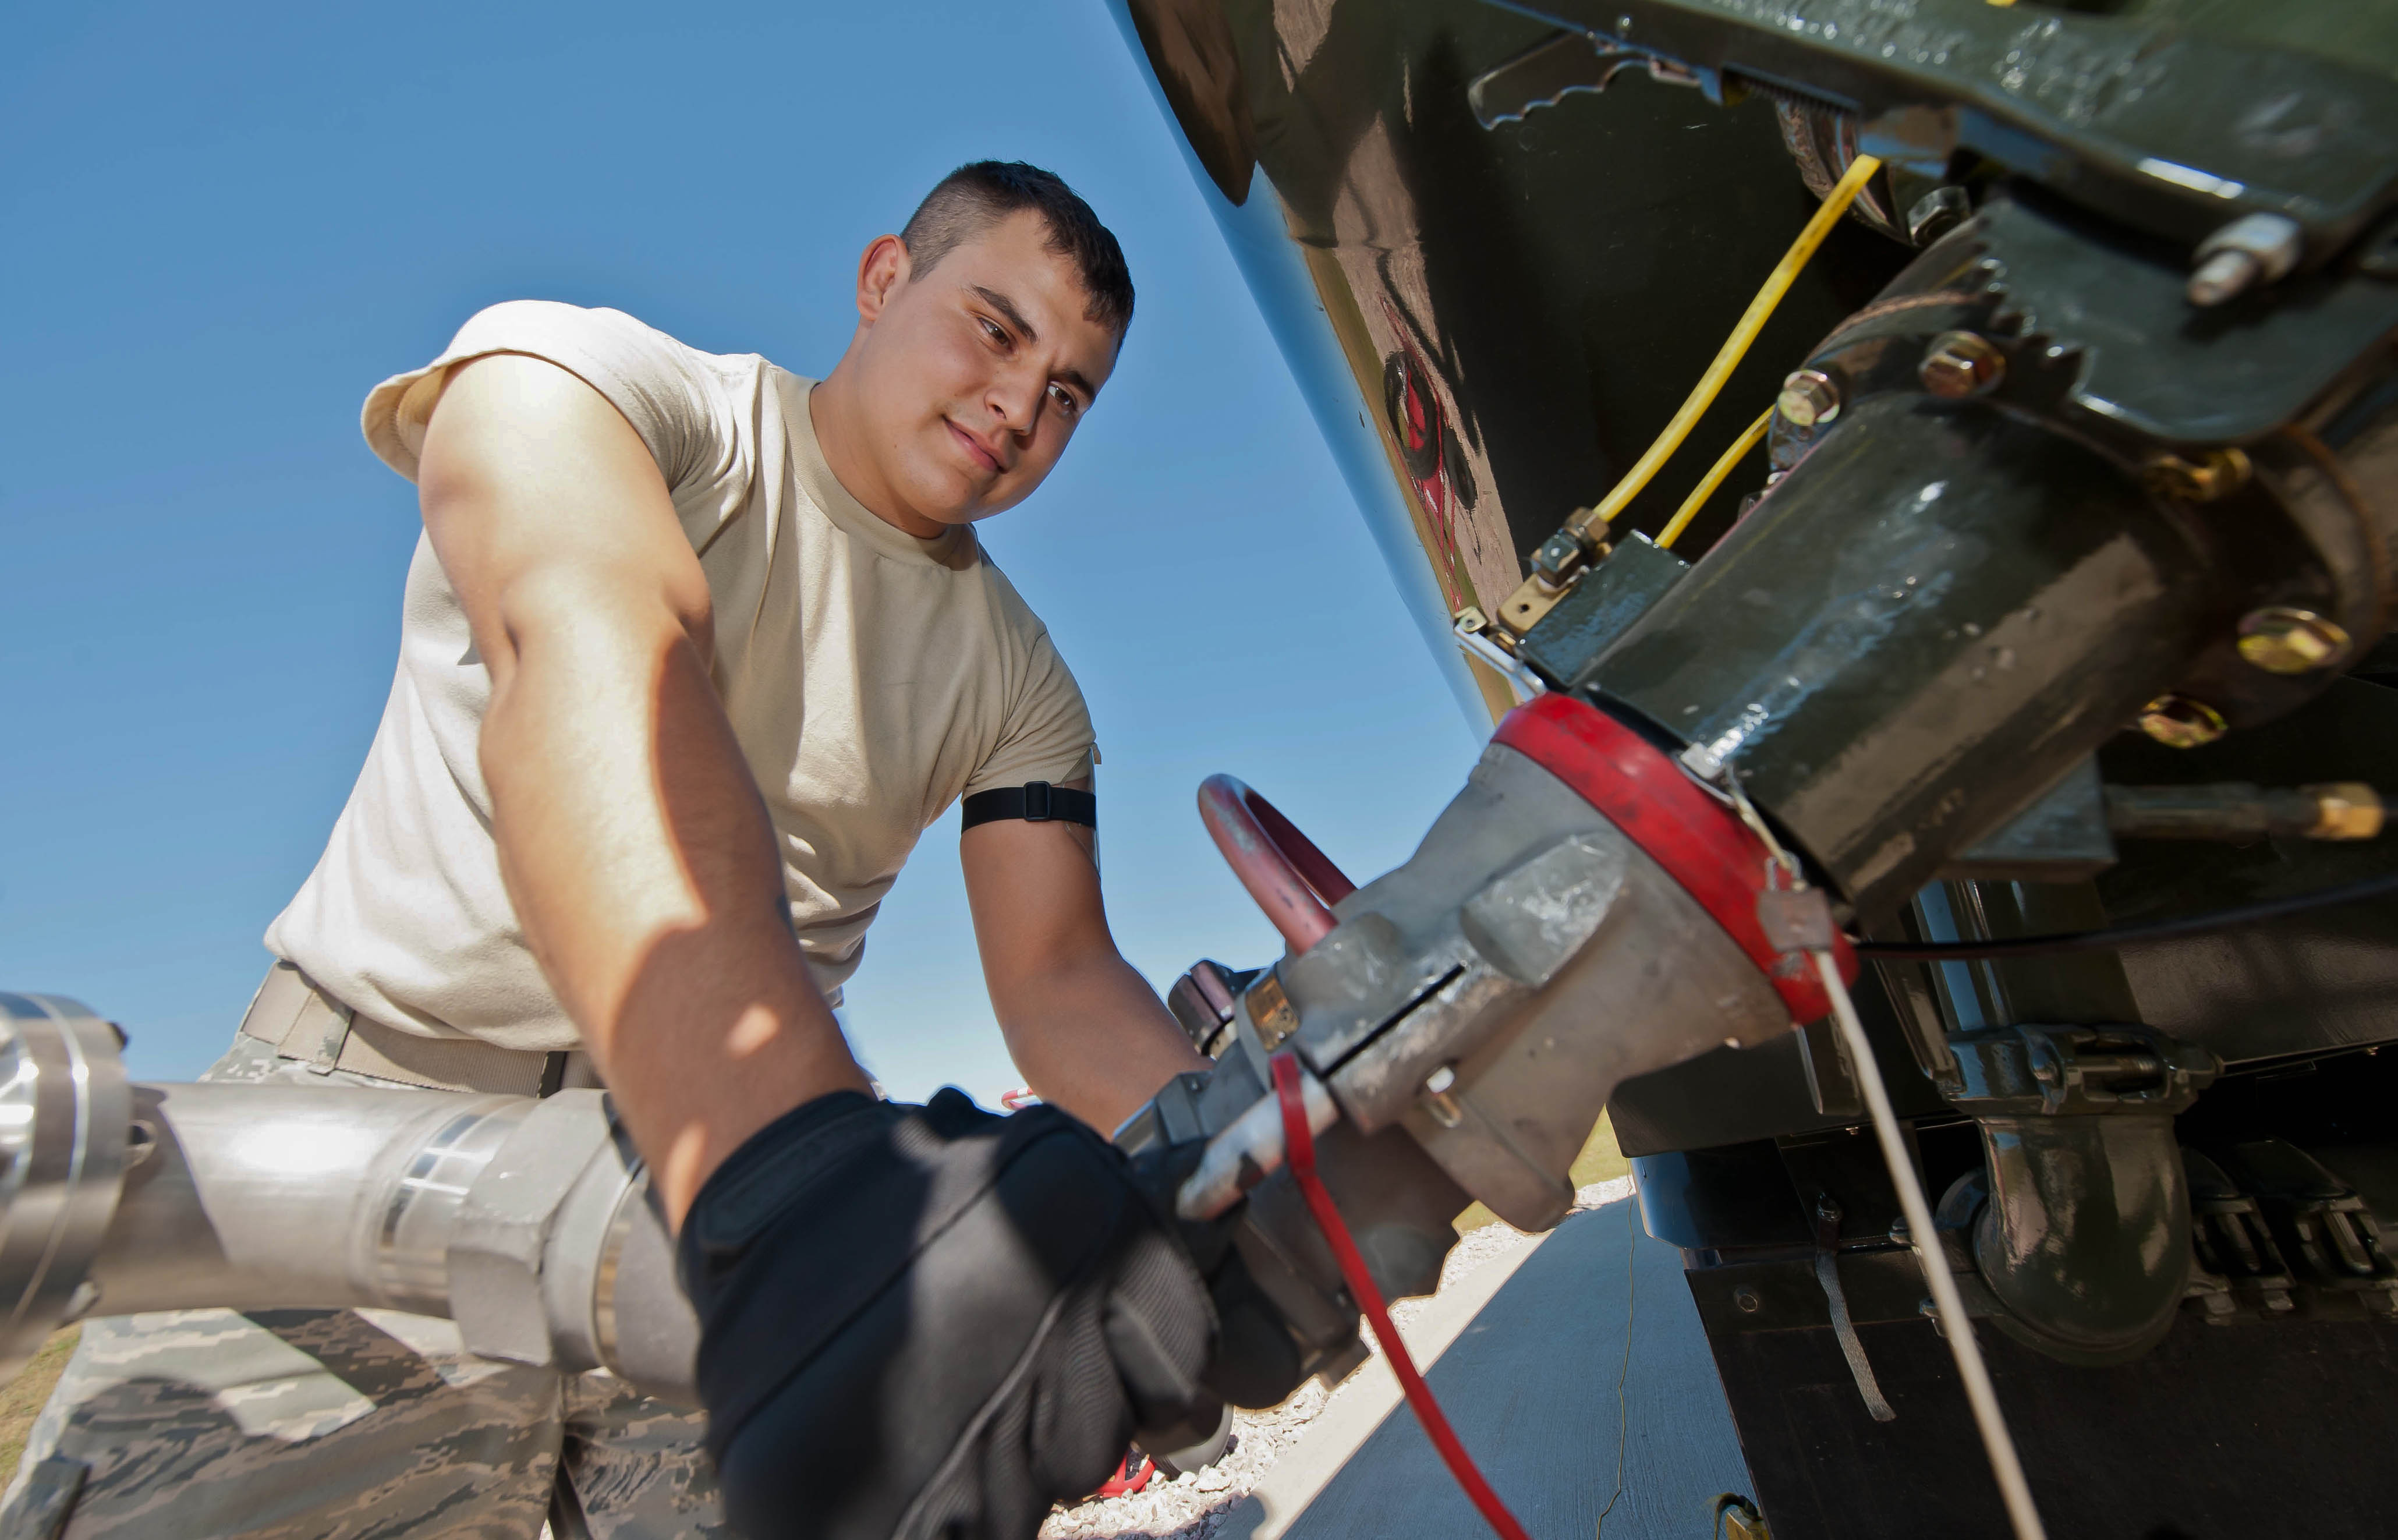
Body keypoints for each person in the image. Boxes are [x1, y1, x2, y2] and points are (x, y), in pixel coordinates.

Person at [5, 161, 1235, 1540]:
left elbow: (1060, 979)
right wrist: (793, 1167)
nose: (1019, 407)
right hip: (369, 1135)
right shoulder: (589, 380)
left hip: (698, 1212)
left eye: (1068, 391)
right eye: (997, 331)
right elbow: (589, 649)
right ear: (883, 278)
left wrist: (1253, 1169)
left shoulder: (1025, 690)